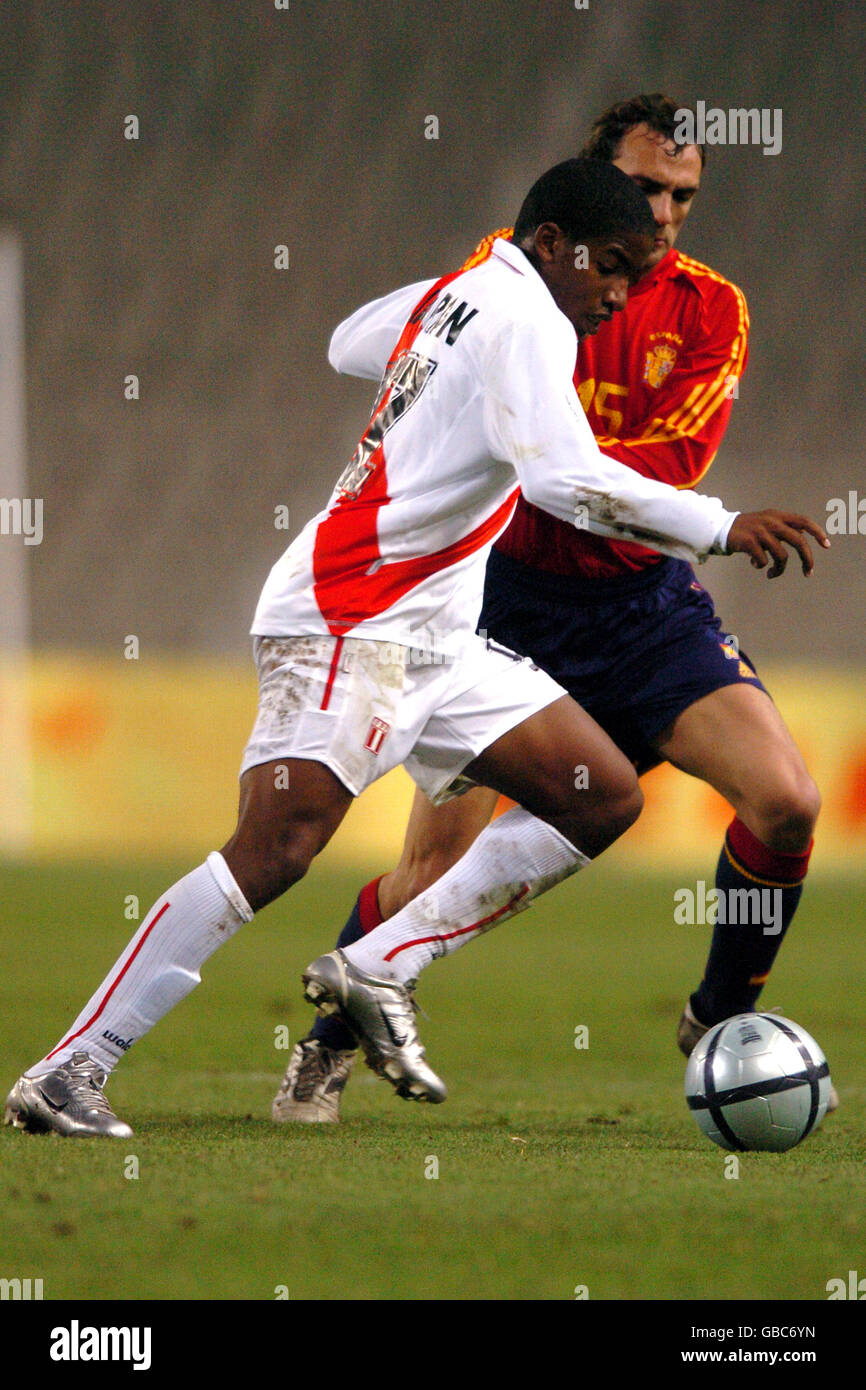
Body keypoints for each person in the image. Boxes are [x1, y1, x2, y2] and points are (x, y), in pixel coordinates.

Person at [5, 157, 825, 1137]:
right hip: (353, 615)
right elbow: (563, 481)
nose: (617, 293)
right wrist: (719, 525)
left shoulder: (467, 294)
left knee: (597, 790)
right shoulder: (523, 319)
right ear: (553, 245)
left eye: (633, 275)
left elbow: (346, 340)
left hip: (436, 632)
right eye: (608, 265)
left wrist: (440, 341)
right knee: (278, 845)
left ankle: (376, 965)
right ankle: (71, 1066)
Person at [276, 94, 829, 1124]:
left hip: (639, 608)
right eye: (644, 189)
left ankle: (716, 1018)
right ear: (589, 186)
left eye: (681, 196)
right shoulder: (510, 282)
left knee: (785, 799)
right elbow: (369, 344)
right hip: (499, 605)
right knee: (426, 874)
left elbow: (664, 468)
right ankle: (324, 1046)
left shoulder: (709, 310)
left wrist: (550, 457)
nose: (662, 214)